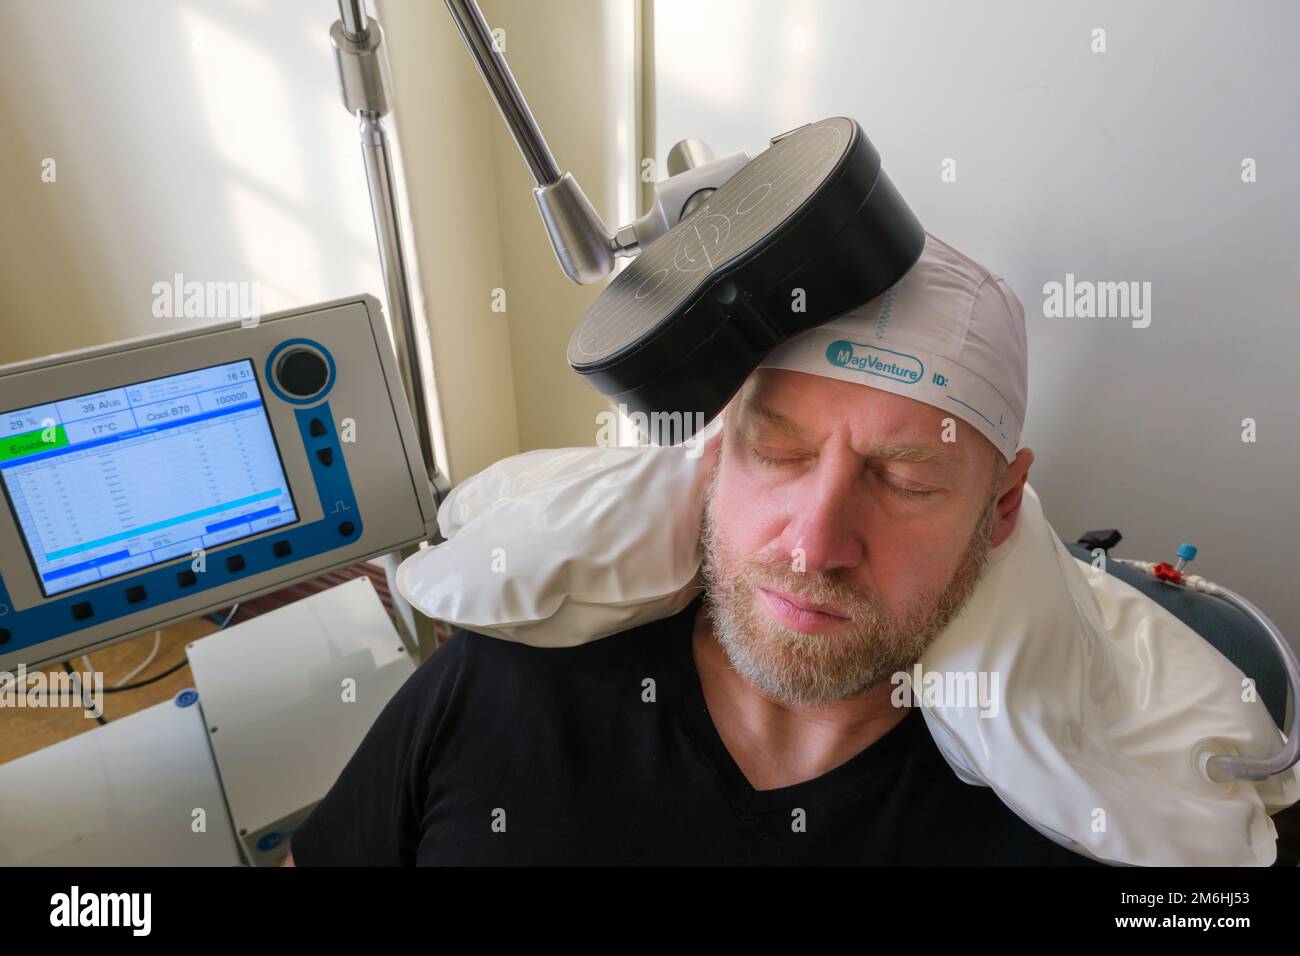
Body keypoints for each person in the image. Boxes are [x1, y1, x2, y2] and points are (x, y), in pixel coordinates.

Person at [285, 232, 1105, 865]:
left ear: (999, 507)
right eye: (781, 455)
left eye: (903, 481)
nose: (814, 547)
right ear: (715, 455)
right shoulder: (500, 684)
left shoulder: (1061, 818)